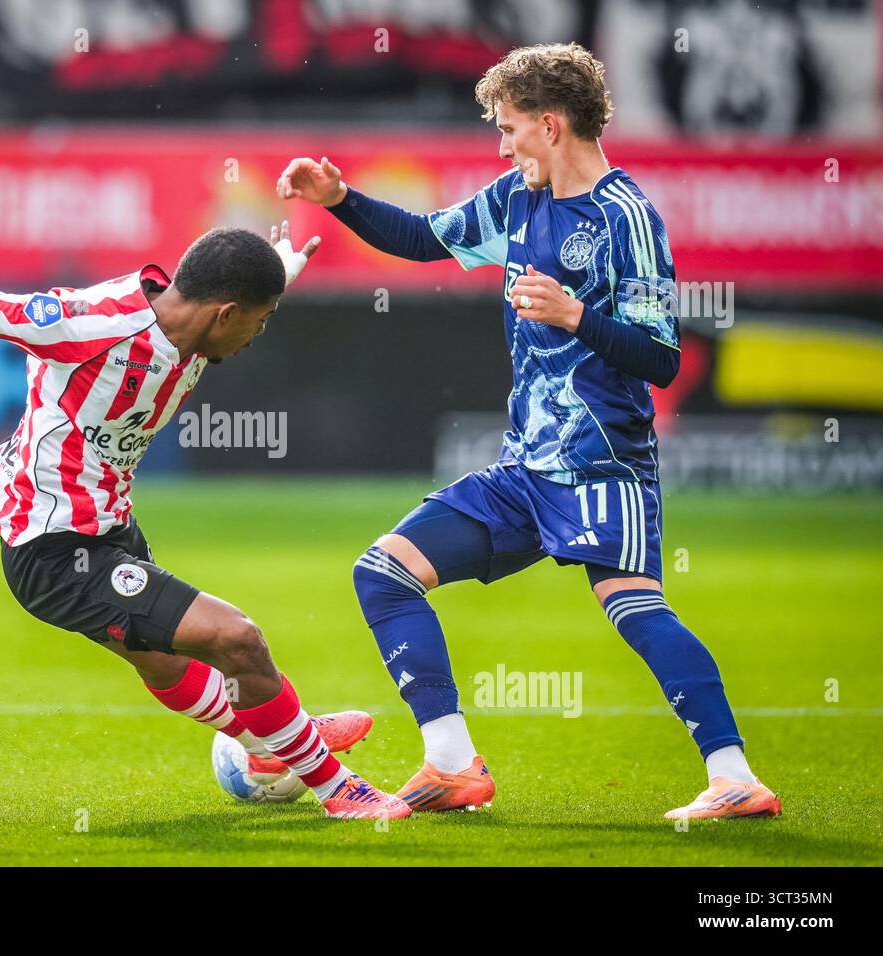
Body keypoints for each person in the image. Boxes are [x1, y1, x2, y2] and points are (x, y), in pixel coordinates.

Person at [276, 42, 780, 821]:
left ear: (551, 124)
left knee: (636, 610)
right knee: (383, 572)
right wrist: (341, 198)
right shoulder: (517, 198)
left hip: (602, 463)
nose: (502, 145)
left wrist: (576, 314)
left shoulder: (627, 217)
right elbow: (423, 238)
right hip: (522, 471)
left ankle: (733, 776)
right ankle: (451, 763)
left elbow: (663, 358)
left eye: (510, 129)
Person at [0, 222, 409, 820]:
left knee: (159, 659)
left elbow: (237, 291)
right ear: (225, 313)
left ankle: (270, 739)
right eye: (259, 323)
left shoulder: (203, 315)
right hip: (51, 547)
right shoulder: (91, 323)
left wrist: (283, 267)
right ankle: (337, 789)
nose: (254, 338)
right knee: (237, 640)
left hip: (109, 525)